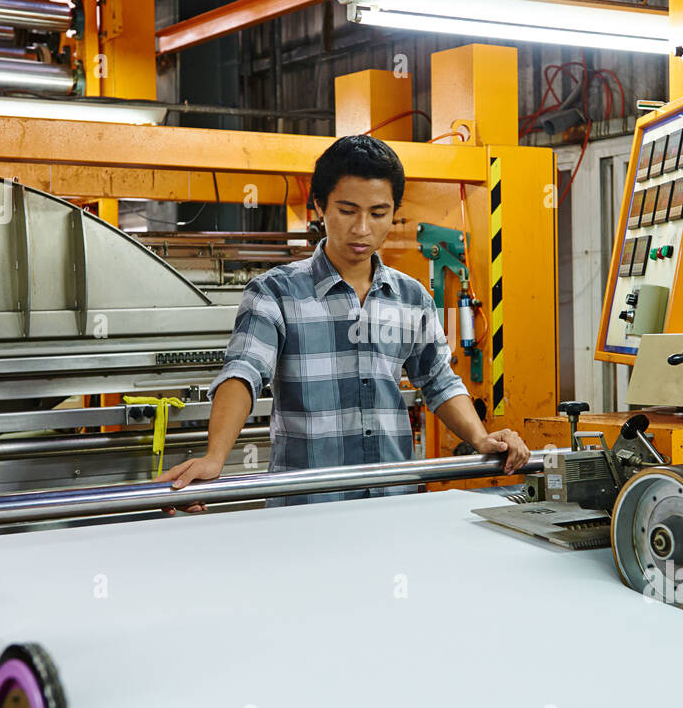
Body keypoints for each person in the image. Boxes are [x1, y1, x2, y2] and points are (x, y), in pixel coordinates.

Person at [158, 134, 530, 508]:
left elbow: (438, 380)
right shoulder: (275, 292)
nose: (362, 228)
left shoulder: (411, 296)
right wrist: (215, 457)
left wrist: (481, 439)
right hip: (307, 510)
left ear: (393, 211)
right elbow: (243, 372)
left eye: (378, 213)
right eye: (348, 210)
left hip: (391, 503)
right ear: (321, 206)